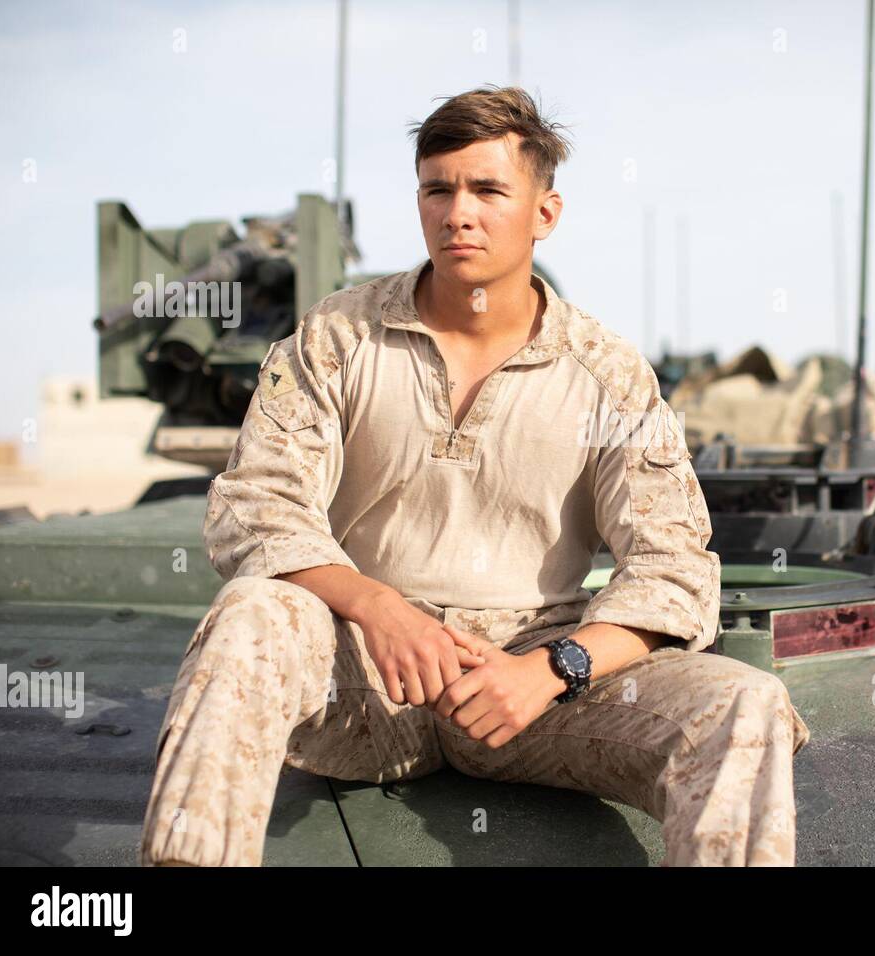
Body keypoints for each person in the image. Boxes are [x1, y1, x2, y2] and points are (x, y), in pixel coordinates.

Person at [139, 85, 810, 868]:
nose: (459, 212)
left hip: (534, 682)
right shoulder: (337, 337)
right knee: (251, 612)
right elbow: (257, 506)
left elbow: (675, 568)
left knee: (746, 704)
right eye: (439, 189)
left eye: (489, 190)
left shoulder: (609, 374)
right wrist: (379, 609)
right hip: (364, 671)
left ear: (544, 214)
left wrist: (557, 668)